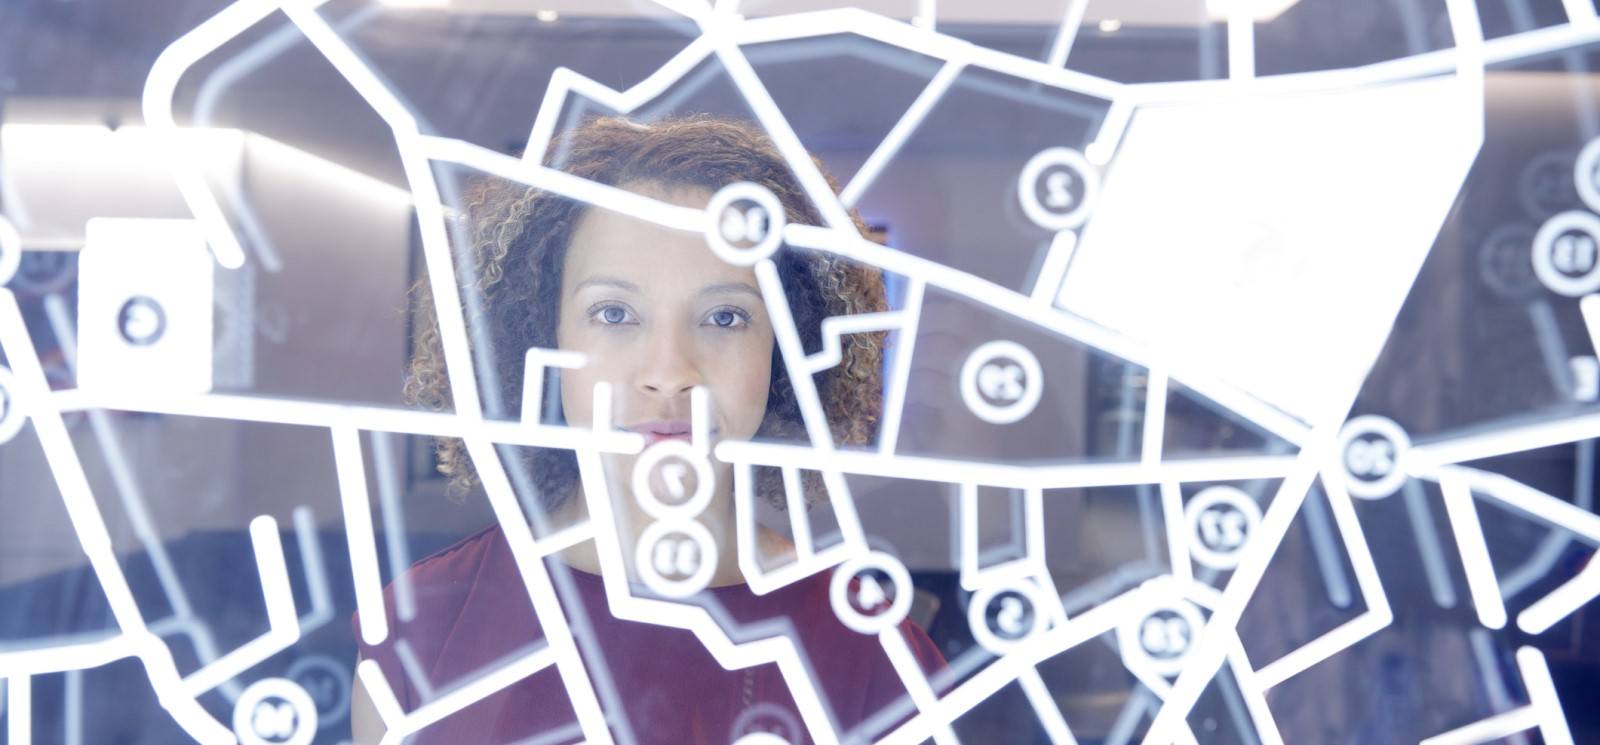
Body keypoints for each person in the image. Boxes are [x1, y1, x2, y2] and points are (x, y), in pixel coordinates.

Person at [349, 114, 947, 744]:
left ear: (784, 349)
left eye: (724, 316)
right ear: (536, 337)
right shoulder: (423, 629)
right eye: (613, 312)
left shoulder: (876, 657)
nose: (668, 372)